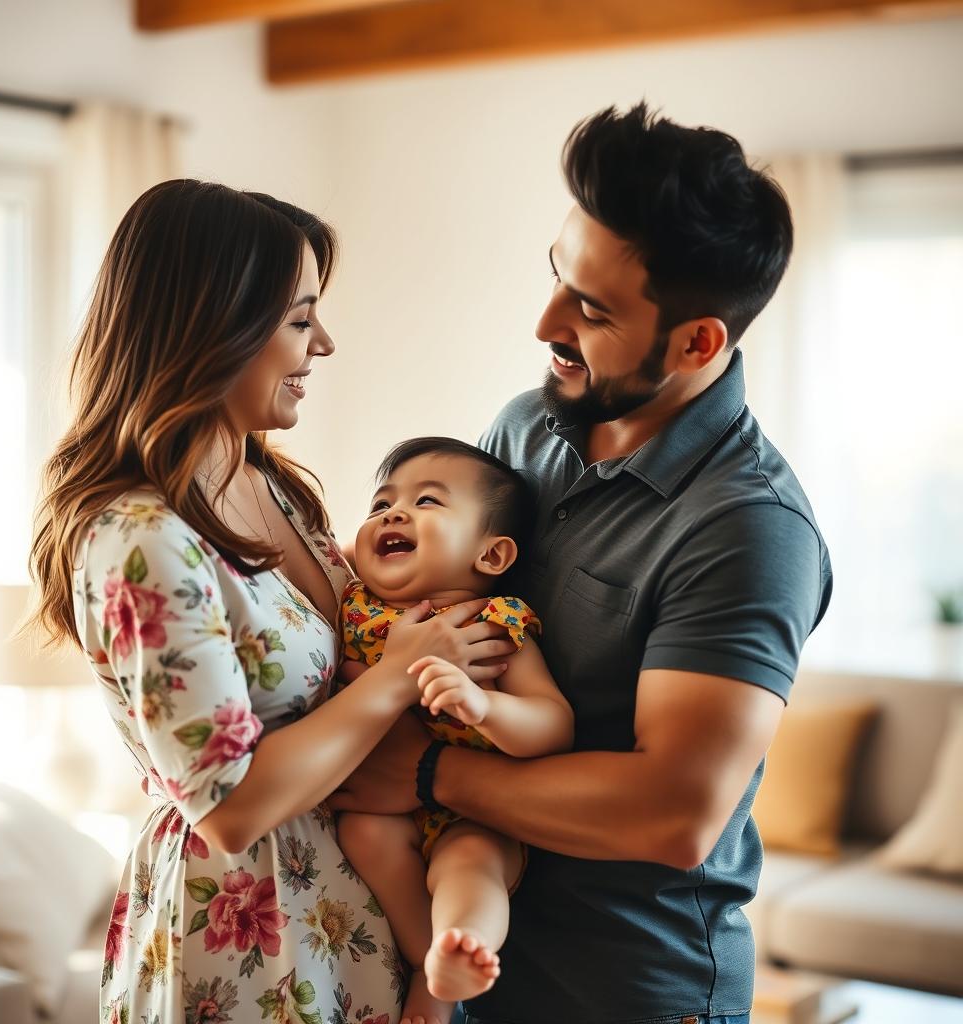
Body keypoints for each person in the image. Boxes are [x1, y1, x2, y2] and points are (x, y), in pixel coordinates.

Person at [330, 102, 833, 1024]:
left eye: (590, 310)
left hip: (625, 993)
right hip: (464, 972)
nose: (544, 323)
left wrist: (430, 776)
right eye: (557, 275)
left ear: (698, 341)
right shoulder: (526, 427)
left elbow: (676, 813)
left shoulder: (750, 527)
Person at [27, 180, 518, 1024]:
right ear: (216, 327)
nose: (323, 344)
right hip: (246, 935)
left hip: (351, 917)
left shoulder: (275, 487)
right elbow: (230, 807)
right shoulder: (140, 535)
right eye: (299, 320)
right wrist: (396, 676)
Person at [336, 437, 574, 1024]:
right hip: (380, 807)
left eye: (427, 501)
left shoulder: (493, 625)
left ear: (490, 556)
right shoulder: (353, 604)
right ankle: (429, 960)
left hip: (477, 813)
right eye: (381, 505)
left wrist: (485, 707)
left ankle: (461, 948)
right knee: (363, 833)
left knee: (471, 865)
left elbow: (553, 725)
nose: (393, 514)